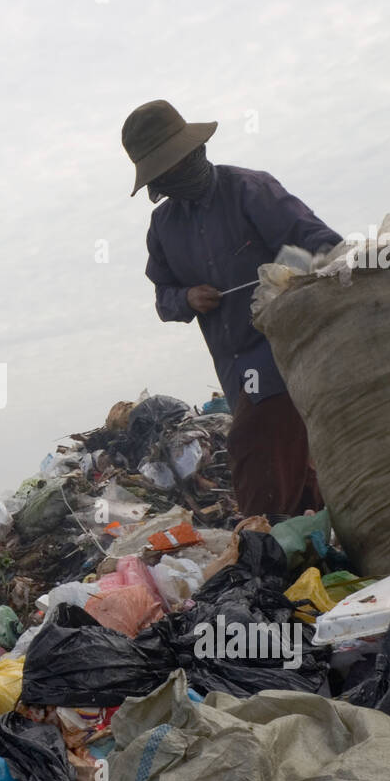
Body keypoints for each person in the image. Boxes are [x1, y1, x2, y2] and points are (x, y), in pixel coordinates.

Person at [122, 99, 340, 517]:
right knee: (293, 472)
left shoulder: (249, 190)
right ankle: (313, 549)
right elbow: (162, 296)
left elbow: (325, 245)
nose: (167, 180)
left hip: (282, 352)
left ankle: (264, 545)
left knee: (253, 454)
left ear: (192, 154)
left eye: (171, 167)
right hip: (233, 369)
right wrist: (186, 298)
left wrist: (284, 280)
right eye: (159, 174)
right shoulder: (164, 226)